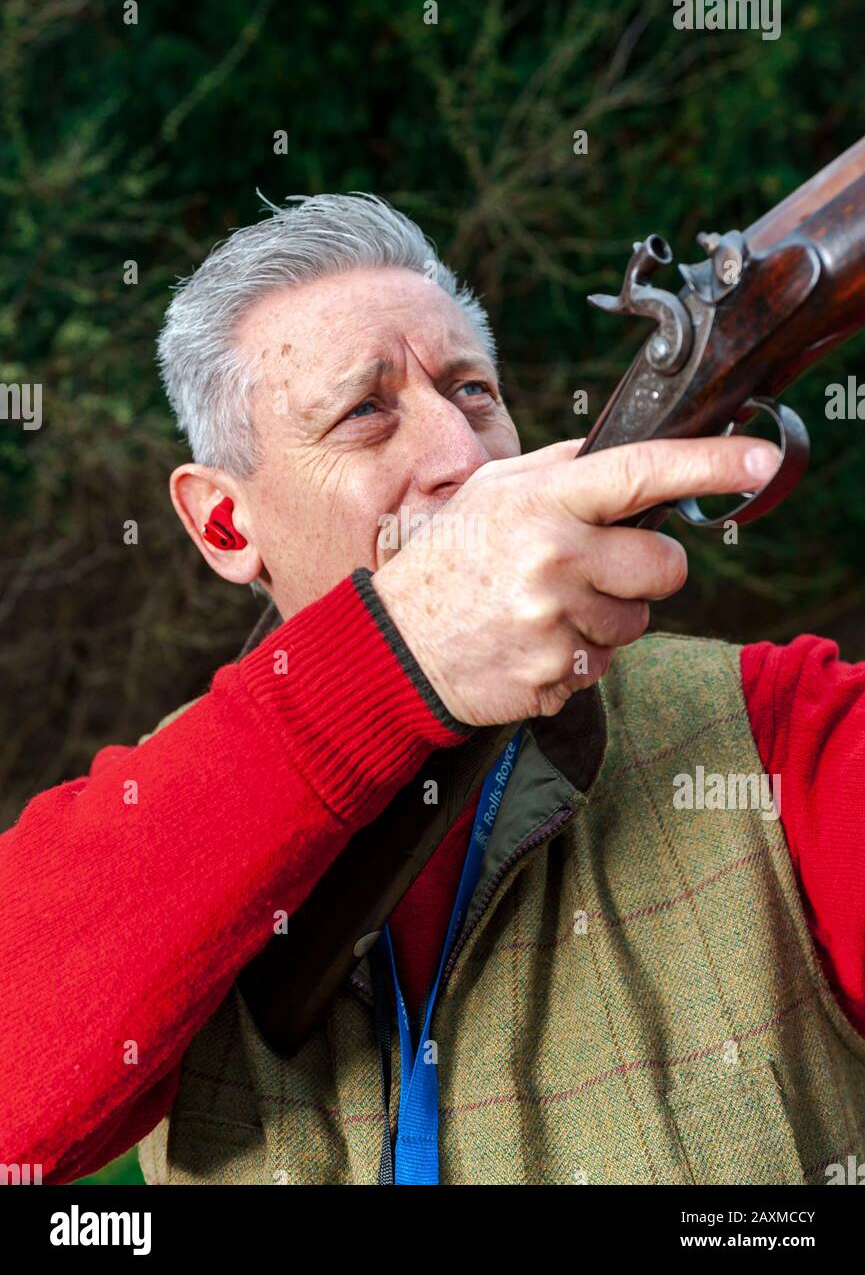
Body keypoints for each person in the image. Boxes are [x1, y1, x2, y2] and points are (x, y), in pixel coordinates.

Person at [3, 194, 864, 1186]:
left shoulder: (770, 728)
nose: (461, 458)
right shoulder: (165, 814)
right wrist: (395, 659)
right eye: (367, 412)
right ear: (225, 526)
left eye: (472, 392)